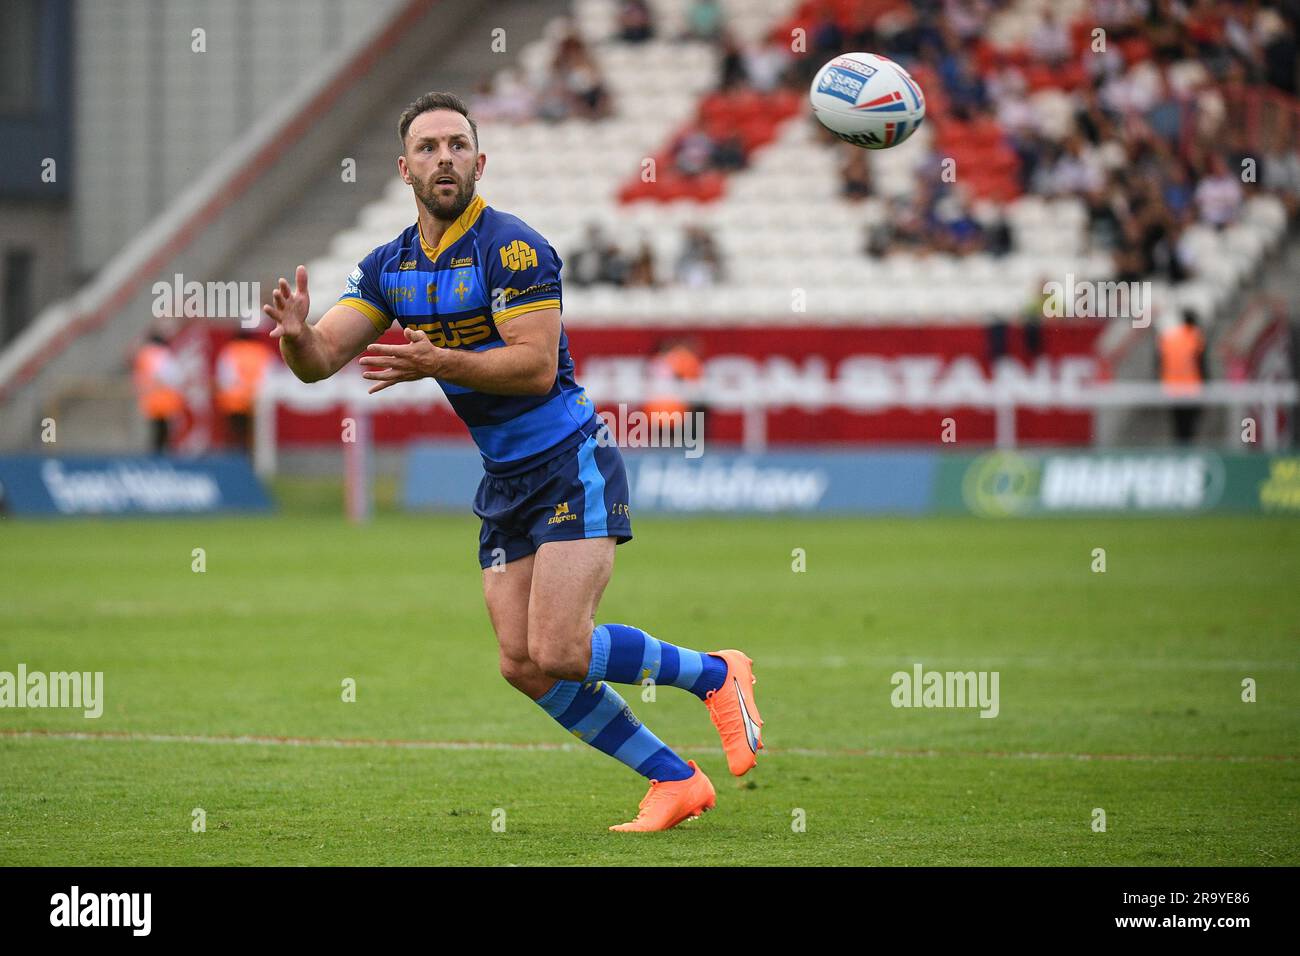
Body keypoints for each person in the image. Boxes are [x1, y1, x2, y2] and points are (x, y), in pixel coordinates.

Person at [262, 92, 763, 832]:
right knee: (522, 663)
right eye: (428, 148)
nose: (444, 159)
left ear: (479, 161)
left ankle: (717, 675)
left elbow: (533, 368)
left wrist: (441, 361)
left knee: (561, 648)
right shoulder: (388, 266)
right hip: (505, 481)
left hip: (569, 461)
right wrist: (296, 336)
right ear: (404, 168)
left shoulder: (514, 247)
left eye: (457, 146)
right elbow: (321, 359)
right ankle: (675, 779)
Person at [214, 327, 274, 453]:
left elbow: (225, 377)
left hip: (234, 402)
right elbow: (271, 375)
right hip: (256, 401)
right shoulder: (261, 351)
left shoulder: (230, 350)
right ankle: (252, 458)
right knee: (254, 435)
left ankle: (236, 459)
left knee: (235, 434)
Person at [133, 330, 185, 454]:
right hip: (165, 400)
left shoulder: (143, 355)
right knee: (165, 432)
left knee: (154, 432)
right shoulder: (163, 355)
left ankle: (155, 455)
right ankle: (163, 457)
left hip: (149, 400)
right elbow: (174, 376)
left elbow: (138, 378)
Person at [1159, 310, 1207, 444]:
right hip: (1192, 389)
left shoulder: (1169, 338)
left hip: (1172, 389)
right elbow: (1201, 364)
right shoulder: (1196, 337)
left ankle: (1180, 450)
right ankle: (1187, 450)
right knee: (1189, 426)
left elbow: (1160, 362)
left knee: (1178, 425)